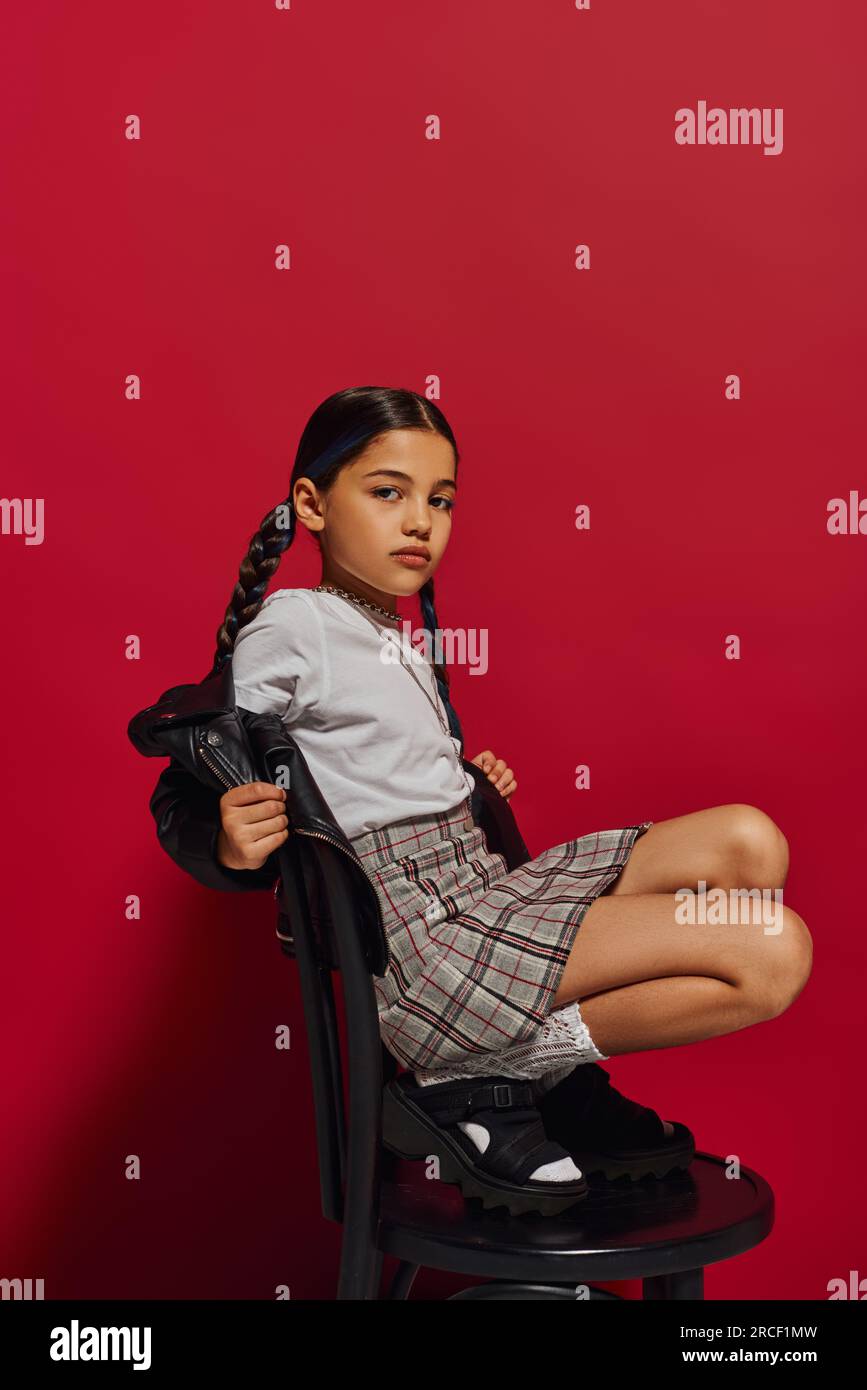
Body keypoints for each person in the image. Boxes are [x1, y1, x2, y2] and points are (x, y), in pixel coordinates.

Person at [174, 385, 814, 1214]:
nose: (419, 521)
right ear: (312, 503)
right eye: (387, 492)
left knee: (748, 841)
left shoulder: (389, 634)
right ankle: (483, 1073)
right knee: (770, 950)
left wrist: (461, 781)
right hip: (423, 948)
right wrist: (224, 835)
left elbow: (365, 767)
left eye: (439, 500)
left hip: (476, 893)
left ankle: (517, 1066)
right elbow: (189, 754)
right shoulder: (296, 623)